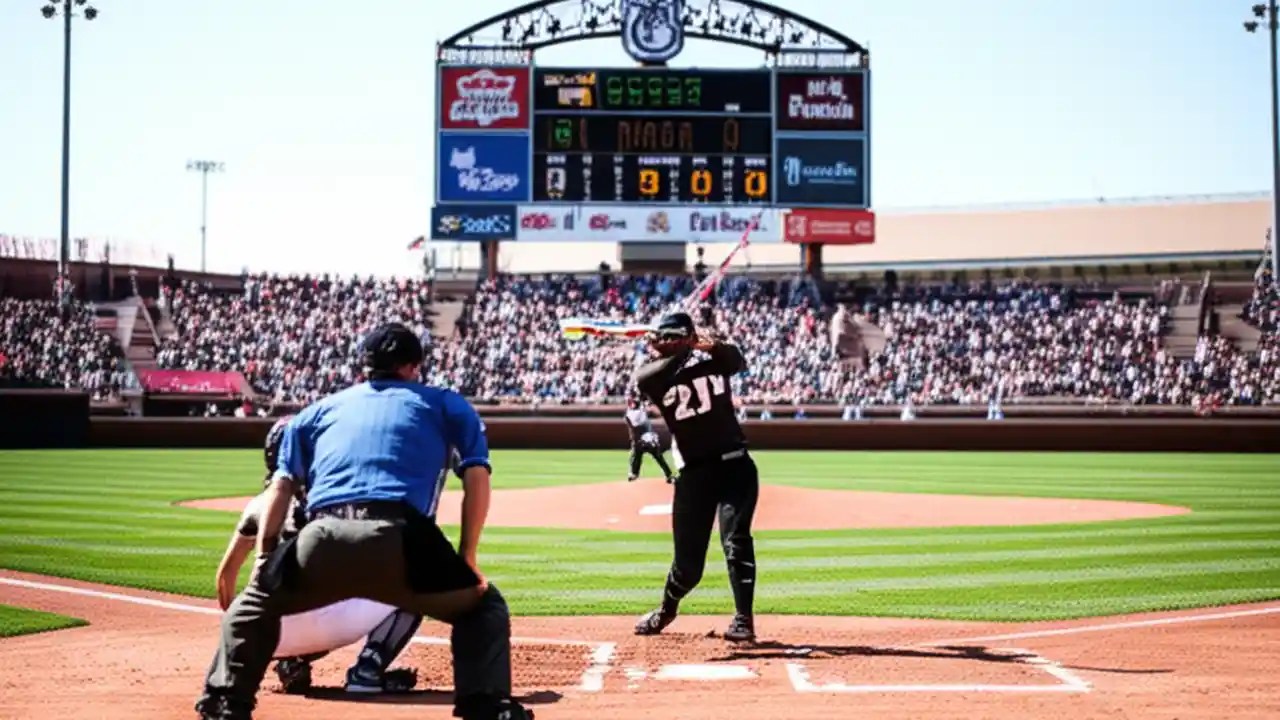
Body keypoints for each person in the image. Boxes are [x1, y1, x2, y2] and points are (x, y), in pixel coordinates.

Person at [194, 322, 531, 720]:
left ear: (364, 365)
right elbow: (477, 476)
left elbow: (280, 488)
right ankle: (487, 708)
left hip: (322, 537)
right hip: (405, 537)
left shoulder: (314, 412)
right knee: (484, 608)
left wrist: (267, 560)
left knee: (249, 609)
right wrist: (467, 556)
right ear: (414, 366)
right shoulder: (446, 404)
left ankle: (224, 704)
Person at [212, 415, 422, 696]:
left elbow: (226, 578)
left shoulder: (258, 507)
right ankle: (367, 671)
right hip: (332, 625)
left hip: (269, 634)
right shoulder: (343, 499)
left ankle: (292, 659)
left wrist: (245, 626)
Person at [630, 311, 759, 643]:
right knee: (688, 568)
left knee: (736, 541)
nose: (657, 344)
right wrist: (682, 347)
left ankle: (744, 620)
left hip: (735, 466)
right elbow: (646, 379)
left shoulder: (715, 360)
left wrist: (701, 343)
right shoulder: (653, 375)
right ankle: (667, 610)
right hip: (695, 475)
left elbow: (734, 357)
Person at [623, 395, 675, 483]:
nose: (631, 404)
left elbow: (654, 412)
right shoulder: (631, 413)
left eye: (633, 403)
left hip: (648, 437)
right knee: (636, 457)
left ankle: (668, 475)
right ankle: (634, 474)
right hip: (640, 439)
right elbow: (633, 425)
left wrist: (646, 405)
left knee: (658, 456)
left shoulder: (641, 410)